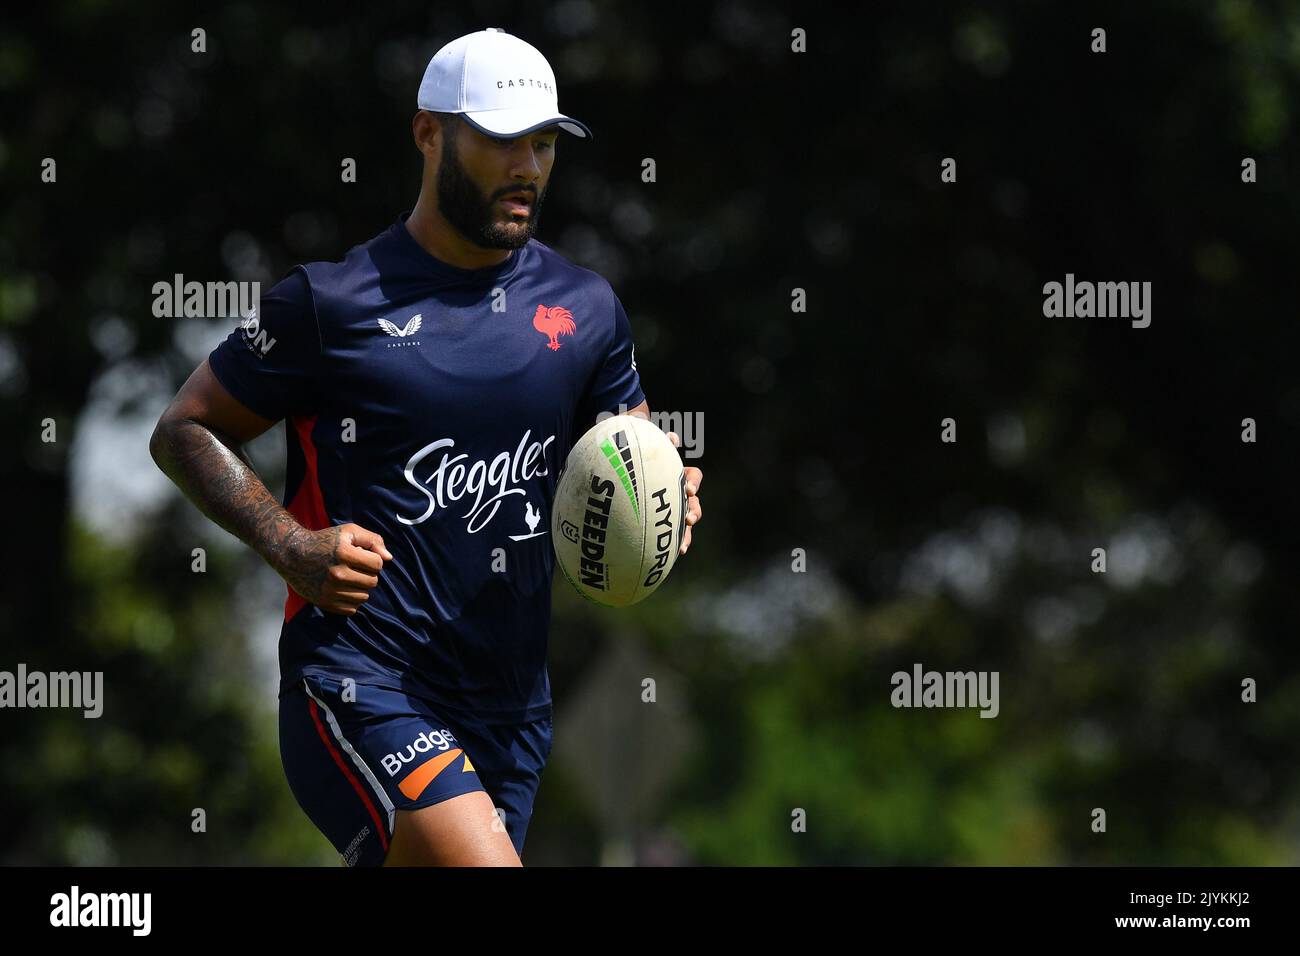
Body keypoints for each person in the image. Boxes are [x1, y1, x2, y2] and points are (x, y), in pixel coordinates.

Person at [149, 28, 704, 866]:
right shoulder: (327, 304)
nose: (527, 167)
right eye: (500, 140)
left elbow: (629, 459)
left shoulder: (587, 310)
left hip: (514, 711)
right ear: (429, 133)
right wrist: (289, 543)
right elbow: (184, 428)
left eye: (544, 143)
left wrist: (667, 506)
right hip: (361, 683)